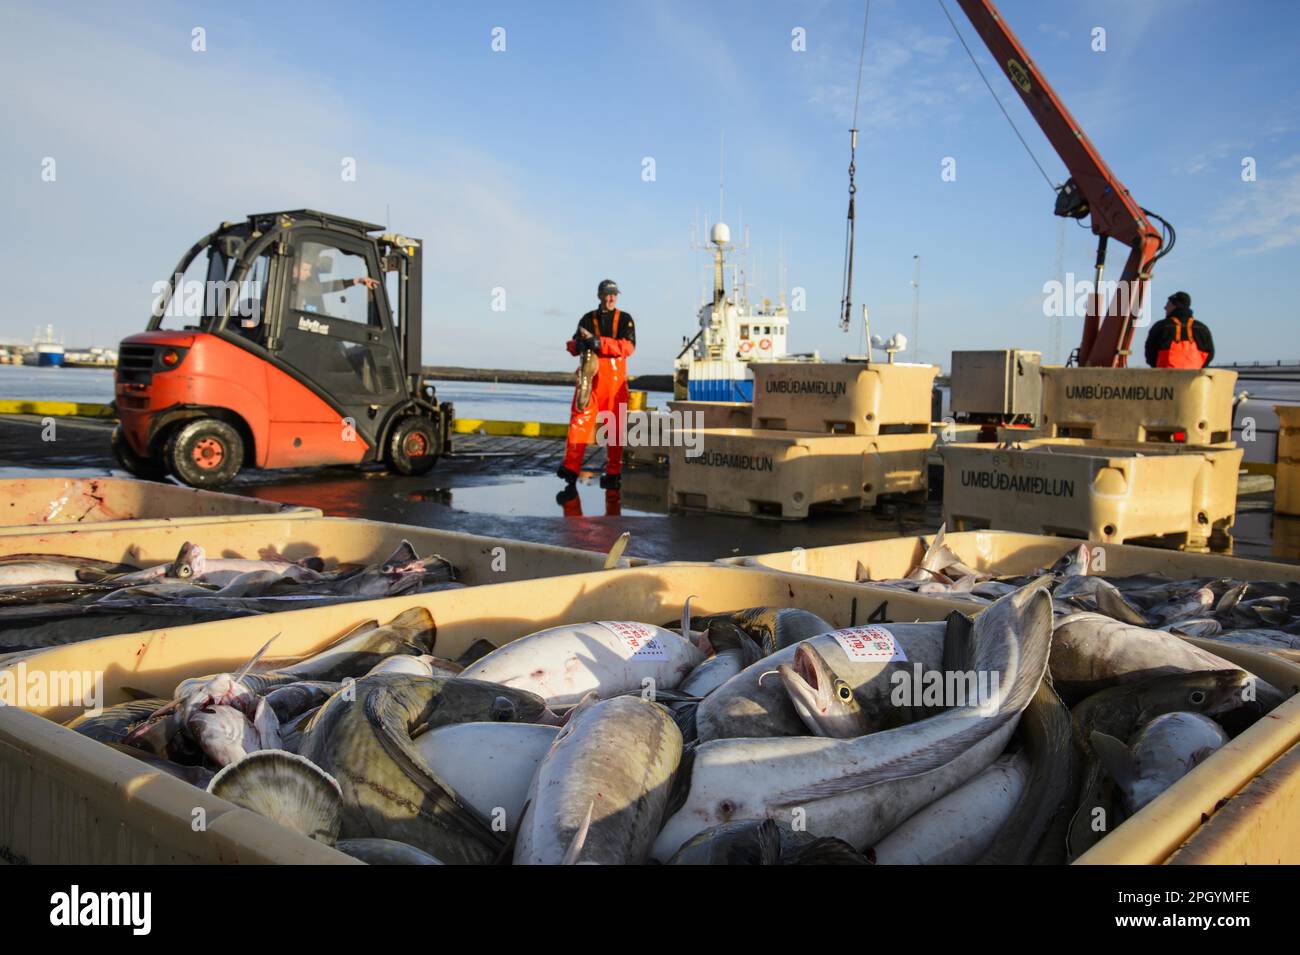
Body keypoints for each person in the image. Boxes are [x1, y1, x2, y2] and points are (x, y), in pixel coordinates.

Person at [558, 279, 636, 489]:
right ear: (599, 295)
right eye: (607, 294)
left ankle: (613, 472)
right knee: (580, 420)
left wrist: (601, 343)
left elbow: (628, 347)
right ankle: (571, 468)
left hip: (614, 381)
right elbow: (572, 345)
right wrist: (578, 344)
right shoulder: (586, 318)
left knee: (615, 427)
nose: (611, 298)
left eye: (614, 295)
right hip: (589, 377)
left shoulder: (625, 319)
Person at [1144, 291, 1214, 368]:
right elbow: (1210, 354)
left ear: (1175, 305)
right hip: (1195, 377)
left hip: (1165, 377)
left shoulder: (1160, 327)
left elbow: (1149, 354)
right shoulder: (1202, 328)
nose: (1165, 308)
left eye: (1168, 304)